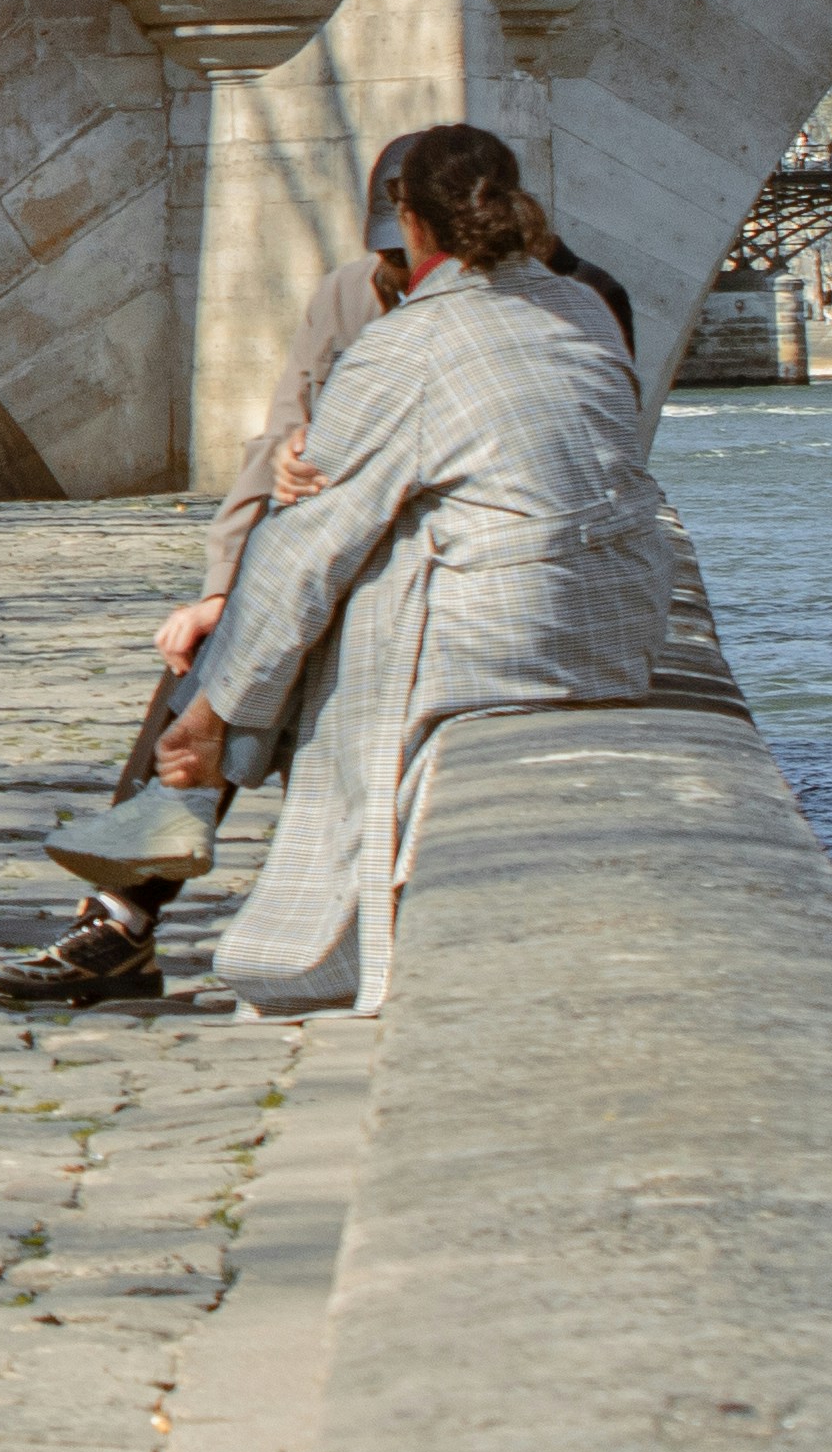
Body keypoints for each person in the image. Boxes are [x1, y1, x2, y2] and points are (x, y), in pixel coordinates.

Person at [34, 125, 670, 1013]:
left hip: (492, 625)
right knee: (278, 609)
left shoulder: (411, 339)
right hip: (619, 617)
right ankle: (141, 867)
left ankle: (154, 842)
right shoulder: (582, 306)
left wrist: (215, 708)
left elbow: (304, 550)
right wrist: (305, 465)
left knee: (286, 612)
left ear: (407, 221)